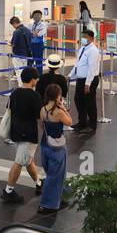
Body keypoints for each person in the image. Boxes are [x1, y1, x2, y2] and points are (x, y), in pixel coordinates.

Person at [1, 67, 43, 203]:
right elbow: (40, 116)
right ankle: (8, 190)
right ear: (32, 80)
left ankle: (38, 183)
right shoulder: (34, 95)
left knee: (28, 160)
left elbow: (9, 109)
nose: (37, 81)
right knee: (19, 162)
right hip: (29, 133)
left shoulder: (15, 92)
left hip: (16, 130)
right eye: (36, 79)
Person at [37, 83, 71, 214]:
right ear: (58, 96)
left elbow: (42, 125)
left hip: (45, 144)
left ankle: (60, 196)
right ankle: (48, 204)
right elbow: (70, 122)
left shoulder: (42, 110)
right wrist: (63, 107)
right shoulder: (58, 112)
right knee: (55, 176)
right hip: (57, 148)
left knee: (51, 173)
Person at [67, 29, 100, 132]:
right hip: (80, 79)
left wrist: (87, 84)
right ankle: (82, 122)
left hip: (89, 80)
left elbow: (92, 68)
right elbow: (78, 64)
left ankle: (92, 125)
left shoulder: (93, 51)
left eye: (85, 37)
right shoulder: (83, 48)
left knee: (90, 103)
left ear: (90, 38)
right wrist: (70, 75)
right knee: (78, 100)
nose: (83, 39)